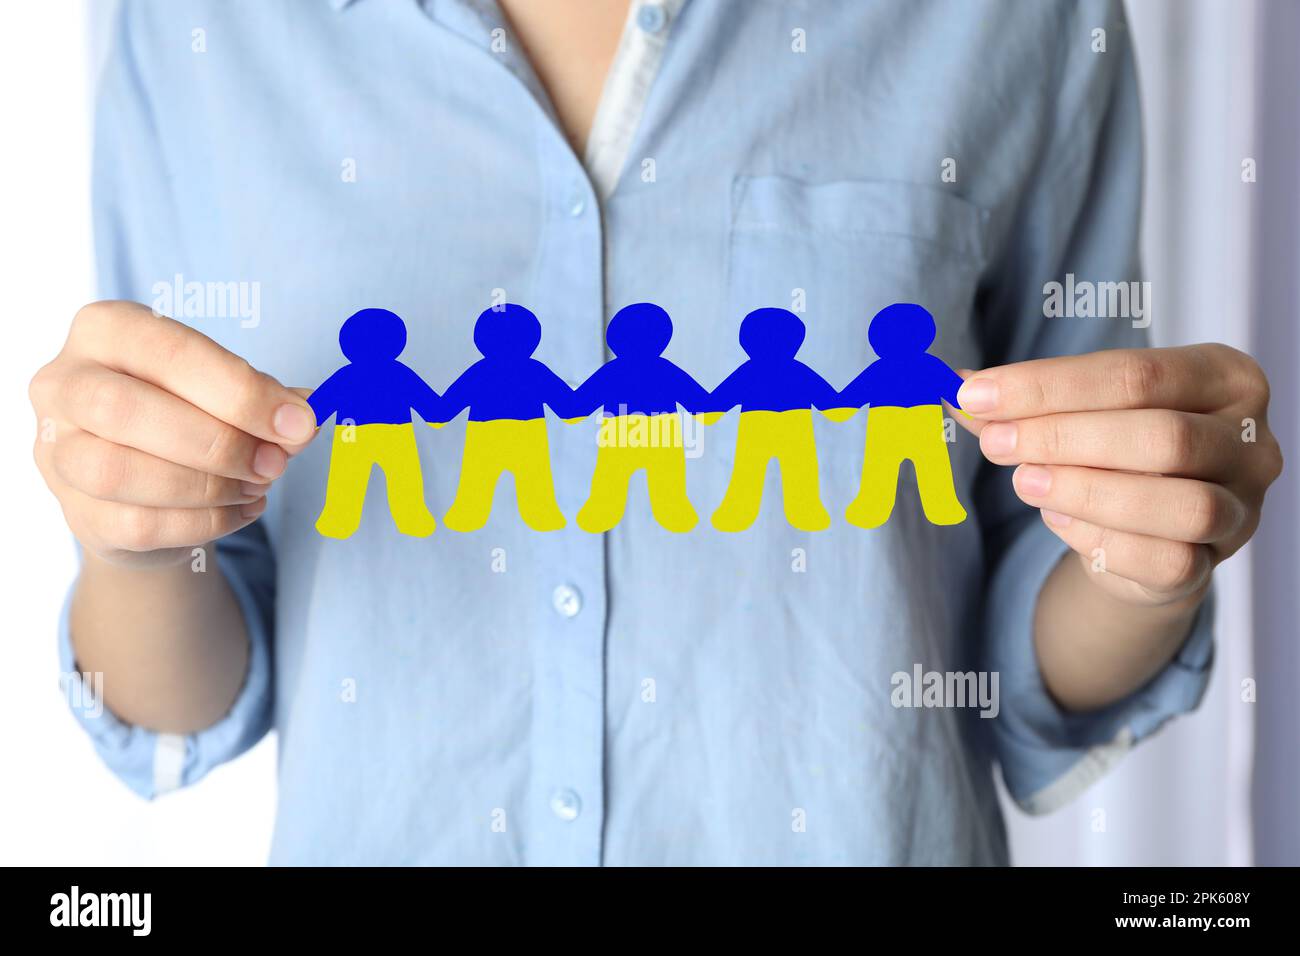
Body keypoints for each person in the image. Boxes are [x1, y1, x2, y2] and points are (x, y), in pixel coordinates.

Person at [30, 0, 1282, 865]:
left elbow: (1025, 665)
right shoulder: (198, 36)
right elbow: (192, 685)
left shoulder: (1014, 20)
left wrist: (1140, 565)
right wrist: (138, 545)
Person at [569, 302, 709, 533]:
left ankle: (605, 510)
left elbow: (579, 405)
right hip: (661, 432)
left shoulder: (613, 371)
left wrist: (568, 408)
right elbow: (698, 402)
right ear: (662, 340)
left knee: (612, 478)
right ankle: (671, 510)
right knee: (664, 479)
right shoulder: (664, 369)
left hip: (621, 430)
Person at [704, 307, 846, 532]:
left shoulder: (749, 371)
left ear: (746, 342)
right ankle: (803, 509)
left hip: (758, 424)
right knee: (796, 469)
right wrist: (841, 407)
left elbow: (719, 401)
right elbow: (829, 401)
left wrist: (706, 411)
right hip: (793, 424)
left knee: (750, 470)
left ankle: (740, 511)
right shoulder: (797, 371)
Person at [433, 303, 572, 532]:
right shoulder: (534, 370)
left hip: (485, 432)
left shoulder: (479, 371)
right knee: (533, 480)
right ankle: (541, 515)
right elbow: (567, 407)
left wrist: (432, 411)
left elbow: (445, 409)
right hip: (527, 431)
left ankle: (468, 515)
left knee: (477, 479)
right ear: (532, 339)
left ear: (481, 340)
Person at [307, 308, 441, 539]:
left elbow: (317, 408)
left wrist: (308, 422)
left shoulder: (347, 375)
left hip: (354, 435)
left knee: (350, 478)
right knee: (401, 478)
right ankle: (411, 518)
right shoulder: (399, 373)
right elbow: (428, 404)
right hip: (394, 433)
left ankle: (339, 520)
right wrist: (436, 416)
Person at [838, 303, 969, 529]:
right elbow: (958, 394)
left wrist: (838, 406)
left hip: (894, 421)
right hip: (916, 420)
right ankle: (940, 507)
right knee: (923, 466)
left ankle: (877, 507)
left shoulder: (883, 369)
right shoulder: (927, 365)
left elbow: (853, 396)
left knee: (897, 467)